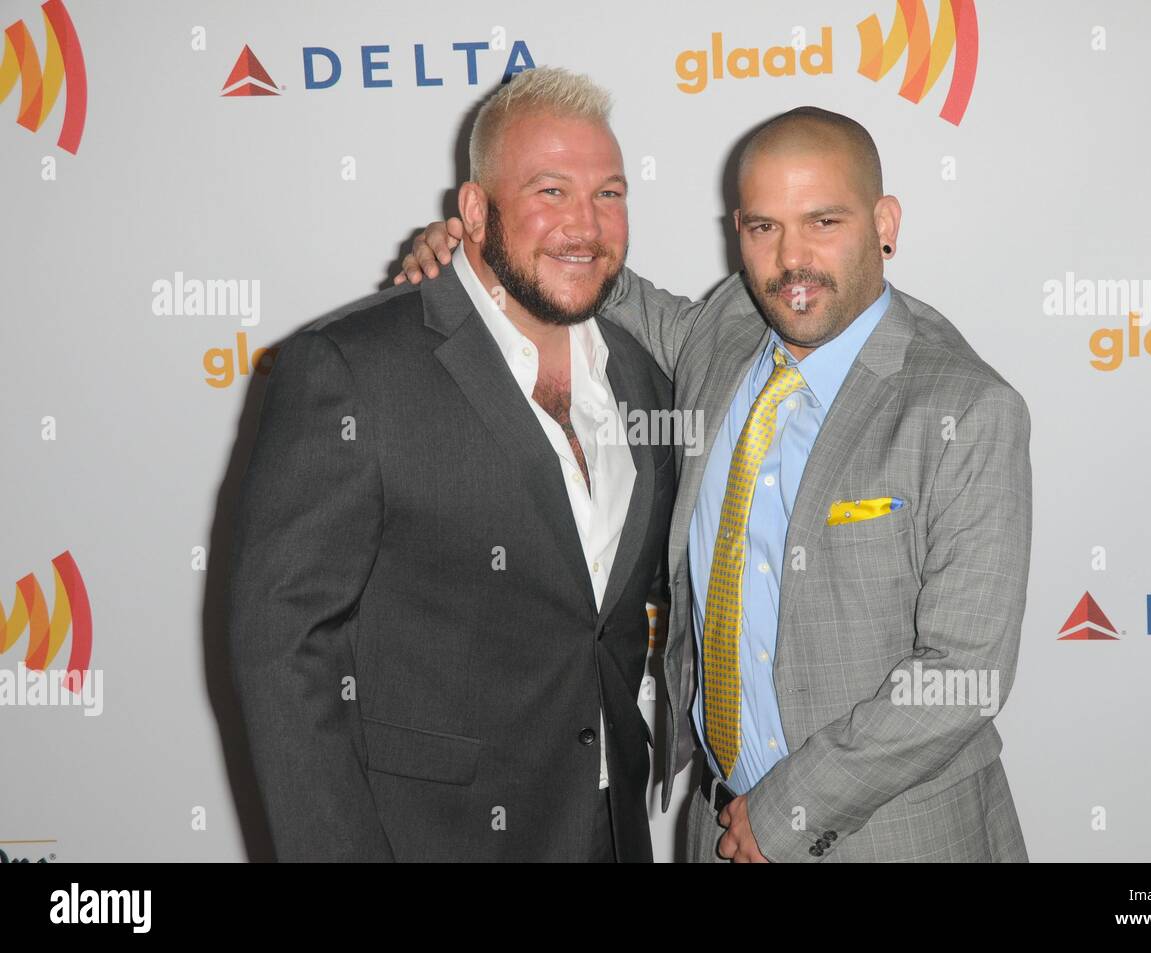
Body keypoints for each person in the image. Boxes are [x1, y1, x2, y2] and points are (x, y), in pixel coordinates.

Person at [399, 104, 1033, 863]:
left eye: (823, 222)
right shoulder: (729, 325)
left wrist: (790, 810)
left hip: (899, 839)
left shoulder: (964, 406)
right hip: (718, 828)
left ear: (884, 222)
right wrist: (484, 247)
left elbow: (963, 673)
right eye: (764, 227)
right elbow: (597, 281)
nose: (791, 260)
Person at [228, 67, 674, 862]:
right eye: (550, 191)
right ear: (473, 211)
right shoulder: (352, 369)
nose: (586, 223)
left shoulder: (640, 375)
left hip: (610, 833)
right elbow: (280, 646)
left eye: (609, 193)